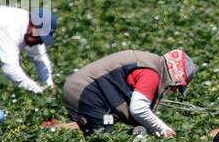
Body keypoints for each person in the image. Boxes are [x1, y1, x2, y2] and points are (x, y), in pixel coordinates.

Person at [60, 49, 194, 136]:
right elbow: (138, 109)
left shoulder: (152, 64)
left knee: (104, 135)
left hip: (83, 92)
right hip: (85, 93)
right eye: (177, 86)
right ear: (176, 76)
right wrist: (164, 130)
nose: (174, 90)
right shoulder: (151, 74)